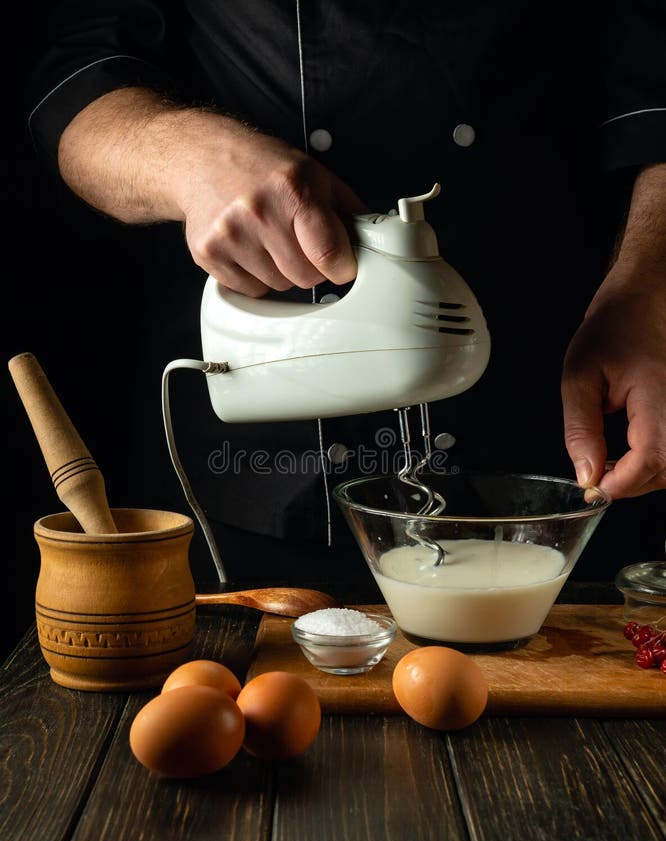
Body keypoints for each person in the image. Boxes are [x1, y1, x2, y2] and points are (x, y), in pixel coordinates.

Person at [21, 1, 666, 591]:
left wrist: (649, 288)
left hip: (555, 414)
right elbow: (76, 74)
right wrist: (192, 160)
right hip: (257, 482)